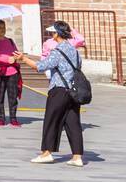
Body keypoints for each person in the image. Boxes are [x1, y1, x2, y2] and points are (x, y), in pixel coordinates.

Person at [20, 21, 87, 166]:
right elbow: (78, 66)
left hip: (59, 90)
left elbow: (41, 66)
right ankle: (77, 157)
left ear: (57, 34)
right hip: (73, 91)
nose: (52, 35)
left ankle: (47, 153)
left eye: (53, 32)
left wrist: (23, 59)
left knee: (51, 120)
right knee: (73, 123)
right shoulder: (74, 50)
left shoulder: (57, 51)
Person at [0, 19, 23, 126]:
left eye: (4, 27)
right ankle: (1, 118)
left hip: (12, 72)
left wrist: (14, 58)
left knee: (13, 96)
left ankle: (13, 118)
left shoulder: (10, 41)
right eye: (0, 28)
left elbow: (16, 54)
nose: (3, 29)